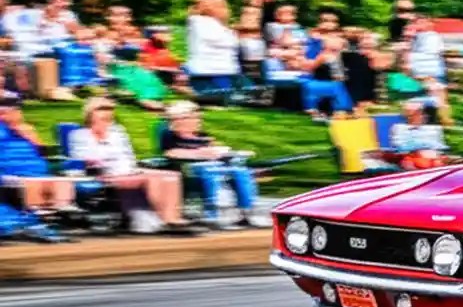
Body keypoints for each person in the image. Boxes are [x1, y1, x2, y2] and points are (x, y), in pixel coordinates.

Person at [67, 98, 189, 233]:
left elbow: (128, 154)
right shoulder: (79, 135)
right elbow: (83, 158)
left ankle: (173, 217)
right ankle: (166, 218)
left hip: (127, 170)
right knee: (153, 179)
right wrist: (105, 147)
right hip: (102, 173)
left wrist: (130, 168)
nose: (106, 114)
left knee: (172, 176)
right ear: (90, 114)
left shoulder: (118, 131)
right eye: (101, 110)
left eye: (109, 110)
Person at [160, 101, 268, 228]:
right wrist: (199, 154)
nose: (198, 120)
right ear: (179, 119)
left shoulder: (203, 136)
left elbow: (214, 151)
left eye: (197, 117)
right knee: (209, 171)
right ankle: (210, 214)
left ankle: (246, 213)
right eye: (194, 117)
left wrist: (228, 152)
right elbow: (171, 153)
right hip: (188, 171)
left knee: (241, 172)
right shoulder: (169, 135)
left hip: (216, 167)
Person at [0, 96, 77, 212]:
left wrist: (34, 139)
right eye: (5, 113)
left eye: (15, 111)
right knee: (32, 185)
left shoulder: (28, 130)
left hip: (38, 173)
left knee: (62, 183)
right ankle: (36, 217)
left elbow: (44, 155)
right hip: (12, 175)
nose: (12, 115)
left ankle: (63, 216)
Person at [186, 0, 241, 92]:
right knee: (226, 94)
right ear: (212, 9)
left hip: (228, 71)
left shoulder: (223, 27)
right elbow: (219, 40)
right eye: (223, 7)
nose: (228, 11)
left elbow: (232, 44)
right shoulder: (199, 22)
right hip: (207, 72)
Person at [302, 34, 354, 122]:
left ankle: (341, 112)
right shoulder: (324, 56)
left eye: (336, 49)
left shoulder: (345, 57)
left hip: (336, 84)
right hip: (324, 84)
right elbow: (310, 69)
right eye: (327, 48)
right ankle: (339, 111)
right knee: (337, 87)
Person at [390, 99, 448, 170]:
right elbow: (400, 146)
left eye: (417, 112)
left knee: (439, 162)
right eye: (409, 113)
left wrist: (426, 149)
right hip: (412, 157)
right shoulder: (399, 128)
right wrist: (421, 150)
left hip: (434, 156)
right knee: (408, 163)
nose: (412, 116)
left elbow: (440, 146)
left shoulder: (434, 129)